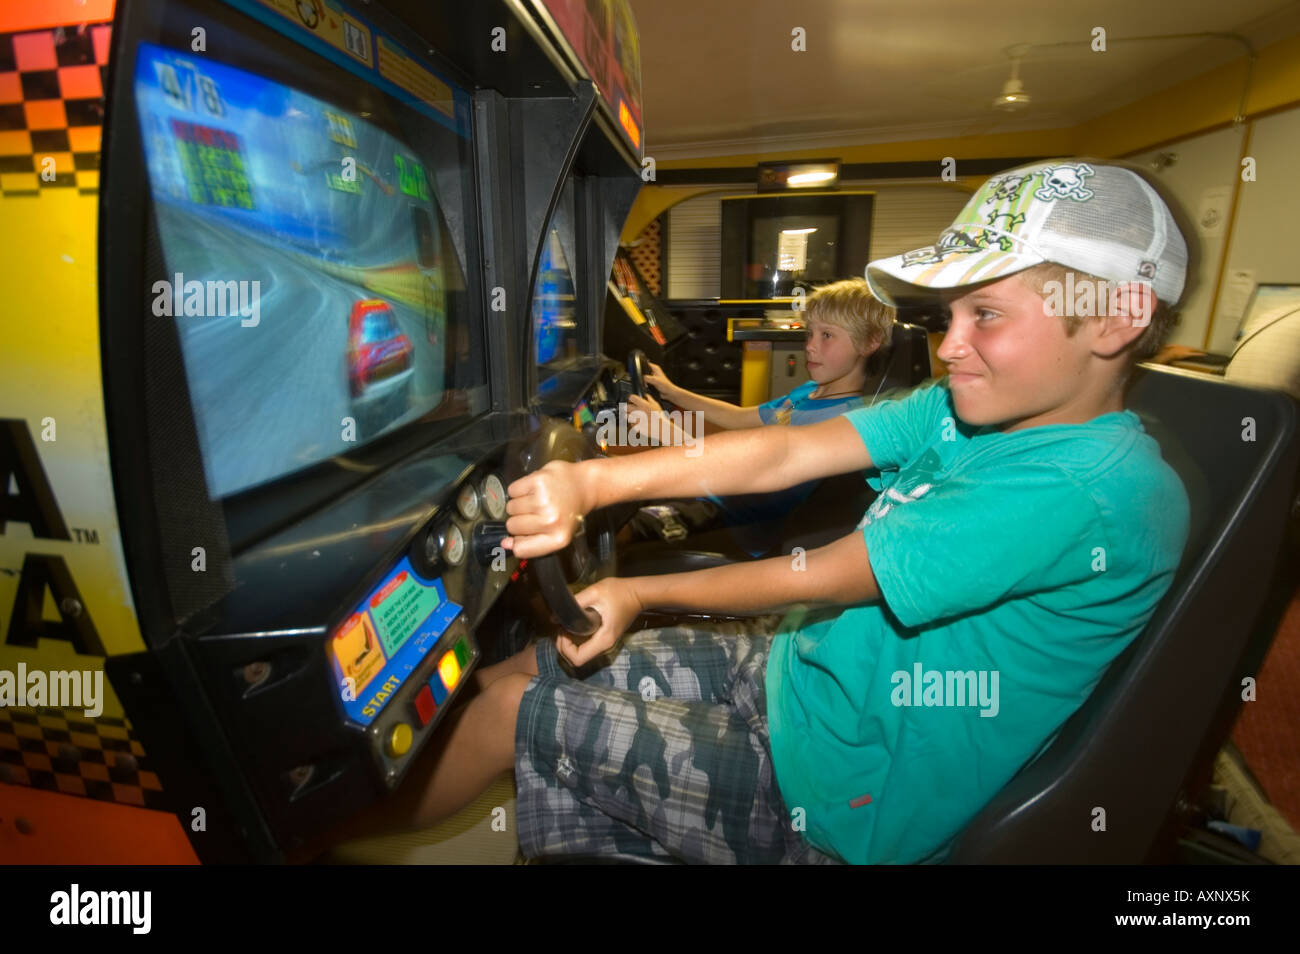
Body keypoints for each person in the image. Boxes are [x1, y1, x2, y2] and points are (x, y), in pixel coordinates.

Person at [375, 159, 1193, 865]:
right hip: (799, 679)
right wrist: (594, 486)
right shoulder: (962, 407)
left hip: (839, 797)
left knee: (517, 709)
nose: (948, 346)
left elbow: (837, 573)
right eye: (948, 317)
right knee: (536, 659)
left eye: (986, 315)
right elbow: (787, 449)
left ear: (1119, 316)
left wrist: (639, 592)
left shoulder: (1085, 489)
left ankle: (311, 841)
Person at [622, 278, 894, 549]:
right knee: (626, 492)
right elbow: (742, 417)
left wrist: (665, 431)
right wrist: (673, 392)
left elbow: (746, 479)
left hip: (738, 521)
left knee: (628, 526)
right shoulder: (812, 391)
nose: (810, 345)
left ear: (870, 342)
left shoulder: (842, 424)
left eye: (827, 335)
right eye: (809, 332)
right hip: (721, 492)